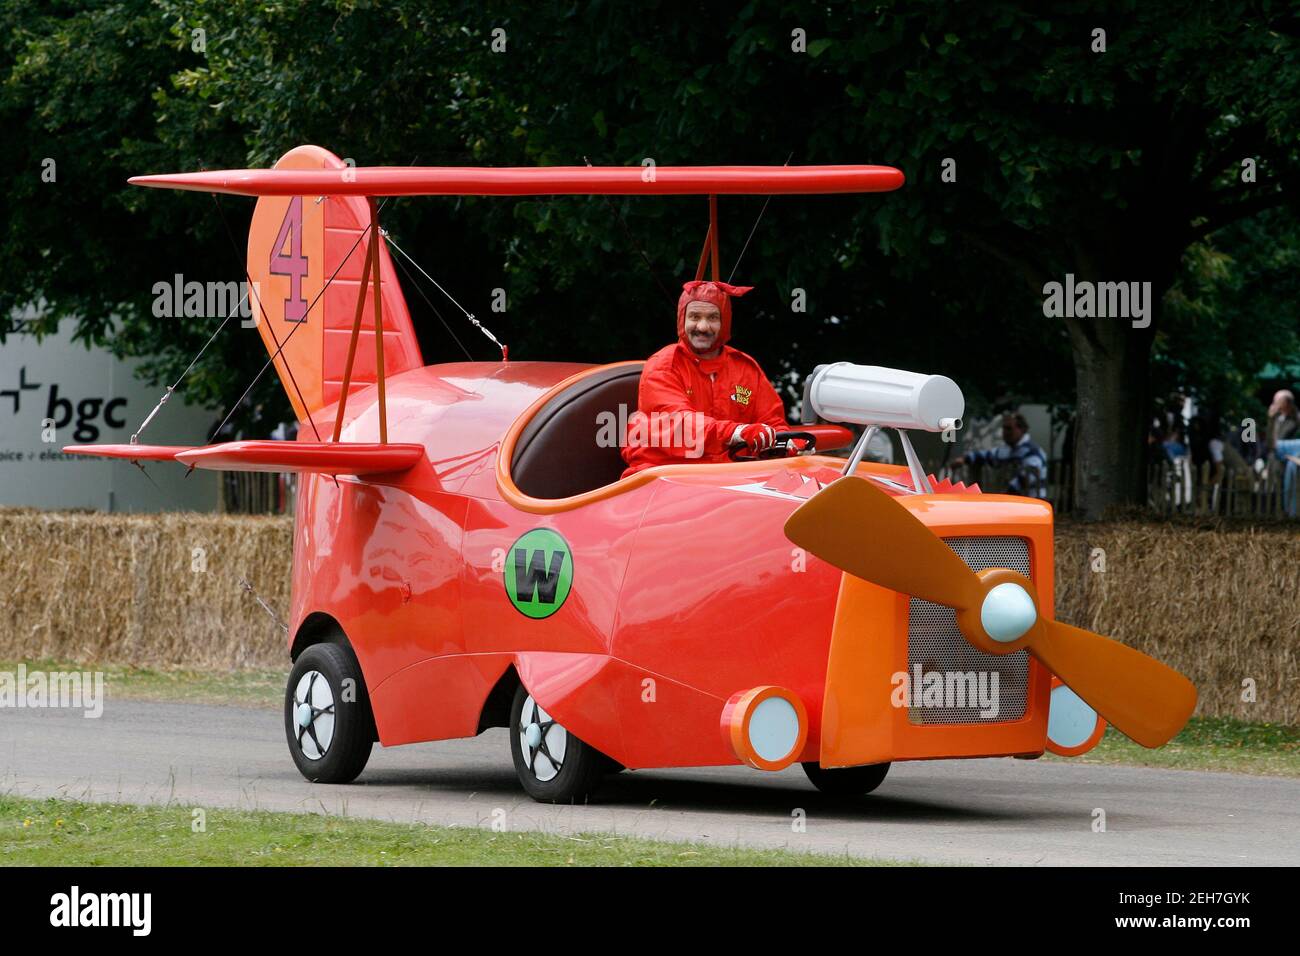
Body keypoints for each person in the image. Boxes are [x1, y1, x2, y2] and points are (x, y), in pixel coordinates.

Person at [620, 280, 792, 476]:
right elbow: (681, 424)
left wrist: (788, 443)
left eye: (712, 318)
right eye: (694, 316)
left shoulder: (745, 368)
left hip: (732, 479)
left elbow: (772, 421)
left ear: (724, 322)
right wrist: (737, 432)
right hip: (665, 476)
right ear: (682, 319)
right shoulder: (663, 366)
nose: (702, 326)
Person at [953, 411, 1048, 498]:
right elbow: (986, 455)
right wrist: (965, 459)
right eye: (1004, 428)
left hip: (1032, 503)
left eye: (1009, 428)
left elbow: (1026, 477)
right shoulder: (1007, 450)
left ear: (1021, 429)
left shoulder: (1033, 452)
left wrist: (1006, 494)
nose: (1005, 432)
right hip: (1013, 501)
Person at [1267, 389, 1300, 516]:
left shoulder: (1296, 418)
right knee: (1276, 488)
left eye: (1278, 402)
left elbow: (1273, 445)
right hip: (1278, 457)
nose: (1275, 405)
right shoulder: (1277, 418)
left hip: (1290, 457)